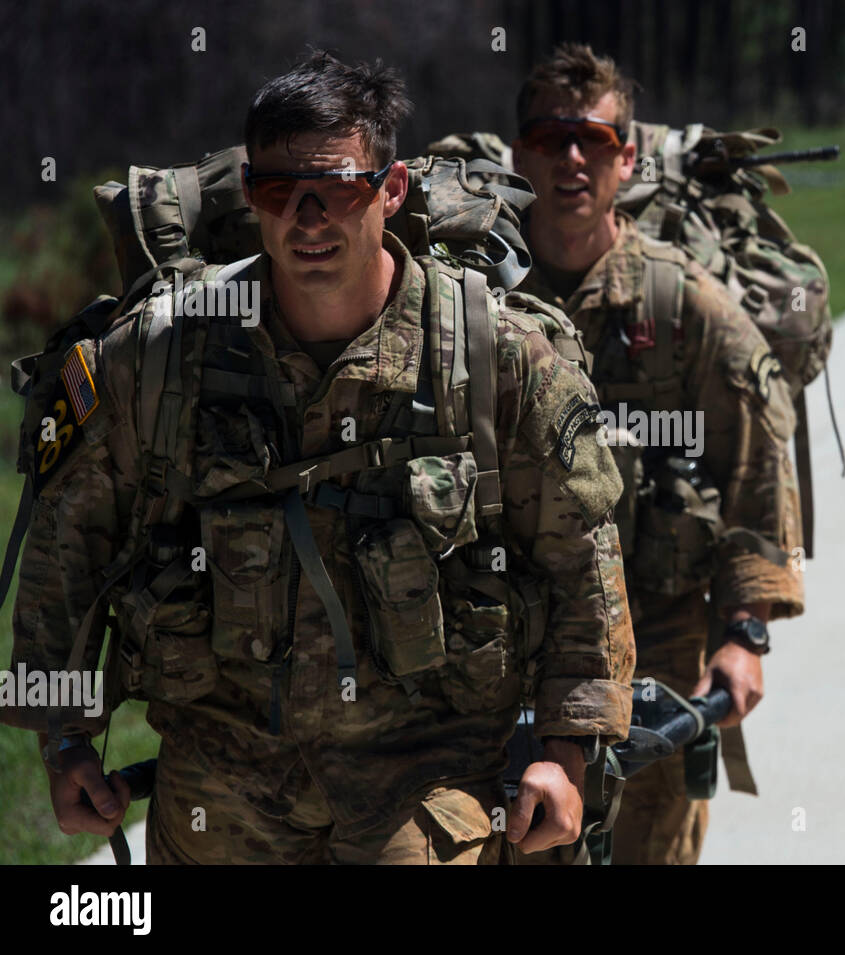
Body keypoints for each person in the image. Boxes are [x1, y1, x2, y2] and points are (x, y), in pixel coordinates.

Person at [2, 51, 635, 864]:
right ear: (252, 203)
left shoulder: (493, 355)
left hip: (426, 770)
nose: (308, 218)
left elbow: (581, 556)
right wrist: (63, 742)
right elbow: (70, 545)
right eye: (279, 192)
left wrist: (565, 751)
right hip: (220, 778)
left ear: (391, 190)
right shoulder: (162, 358)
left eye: (337, 189)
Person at [510, 44, 804, 865]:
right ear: (518, 154)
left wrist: (743, 635)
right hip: (507, 652)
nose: (573, 159)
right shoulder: (476, 303)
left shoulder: (683, 306)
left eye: (596, 141)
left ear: (627, 159)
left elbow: (755, 475)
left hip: (661, 648)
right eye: (552, 138)